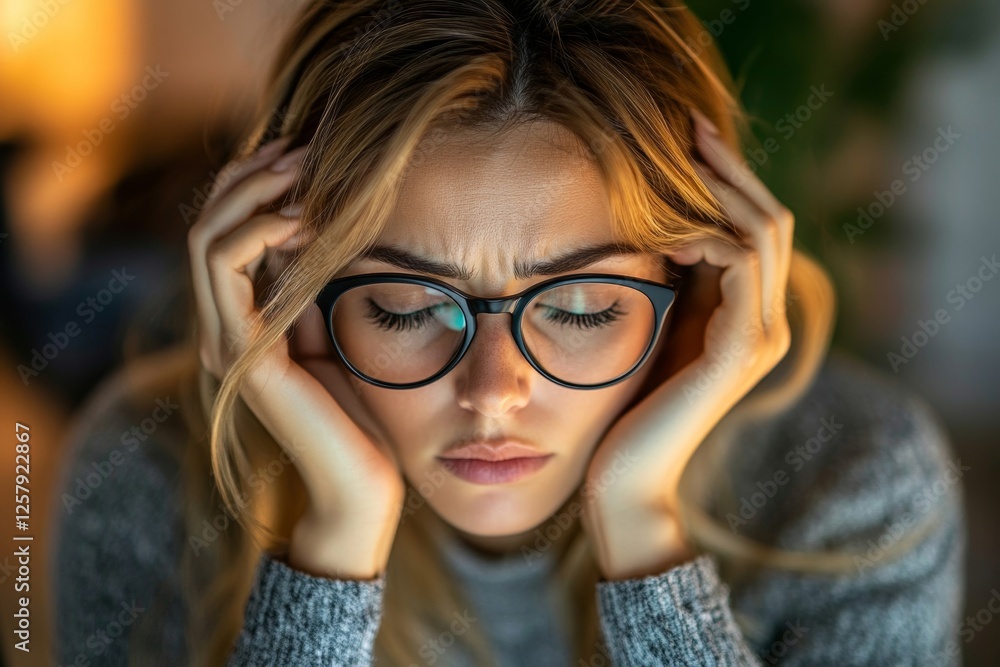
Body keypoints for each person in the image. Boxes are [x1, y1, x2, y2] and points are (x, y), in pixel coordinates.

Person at [52, 1, 966, 665]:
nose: (492, 391)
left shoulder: (856, 487)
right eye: (405, 306)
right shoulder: (144, 475)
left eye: (580, 308)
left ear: (695, 288)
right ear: (293, 287)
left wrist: (642, 528)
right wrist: (330, 547)